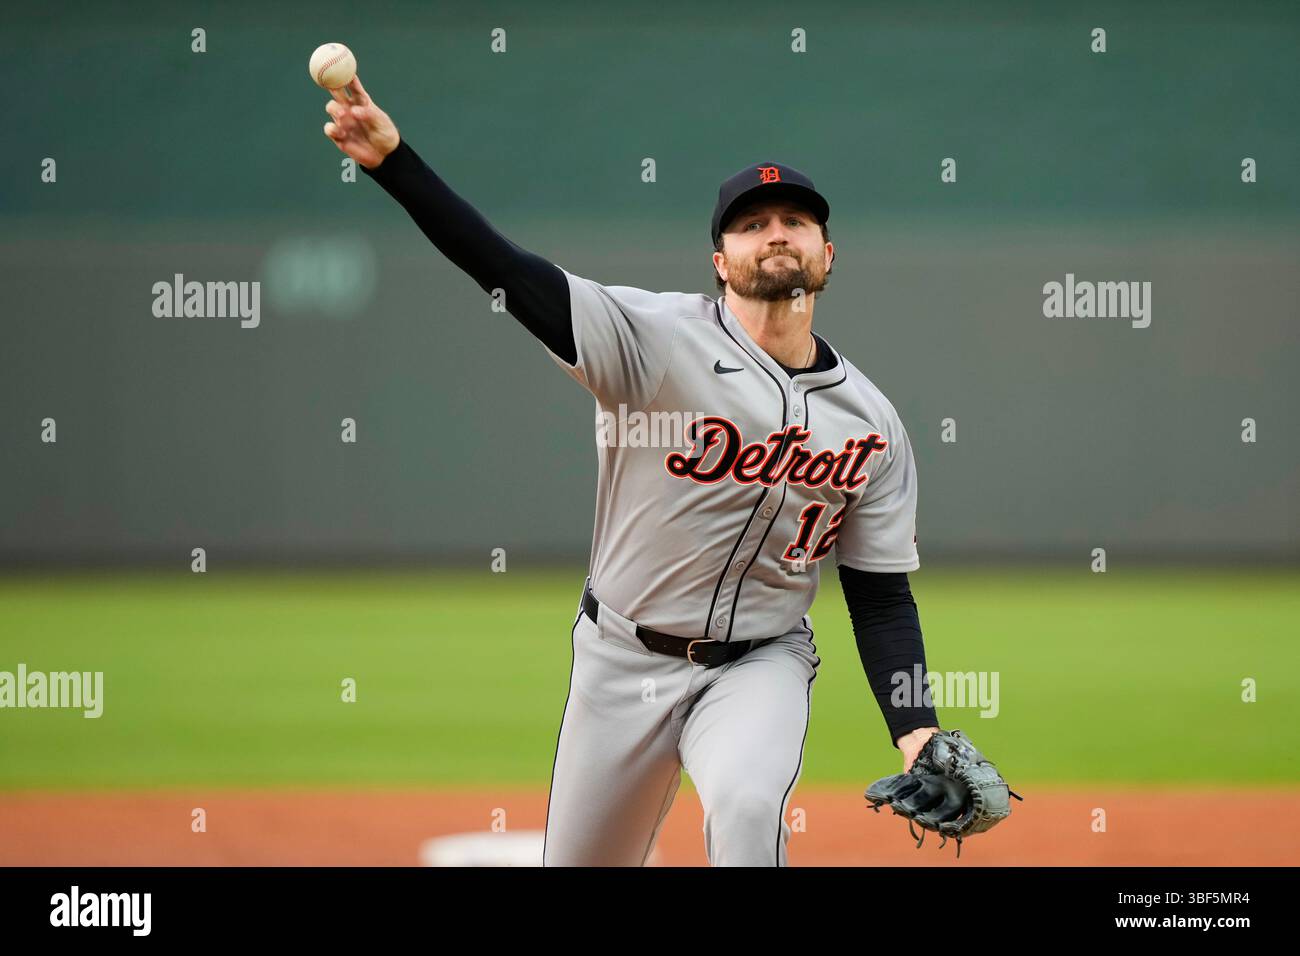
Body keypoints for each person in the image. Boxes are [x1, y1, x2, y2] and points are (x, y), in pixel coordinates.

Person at [322, 76, 942, 866]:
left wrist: (916, 730)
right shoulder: (651, 340)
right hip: (621, 659)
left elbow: (883, 599)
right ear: (721, 260)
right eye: (752, 225)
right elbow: (506, 271)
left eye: (796, 220)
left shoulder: (872, 423)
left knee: (750, 810)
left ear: (828, 254)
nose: (776, 232)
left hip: (760, 663)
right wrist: (394, 163)